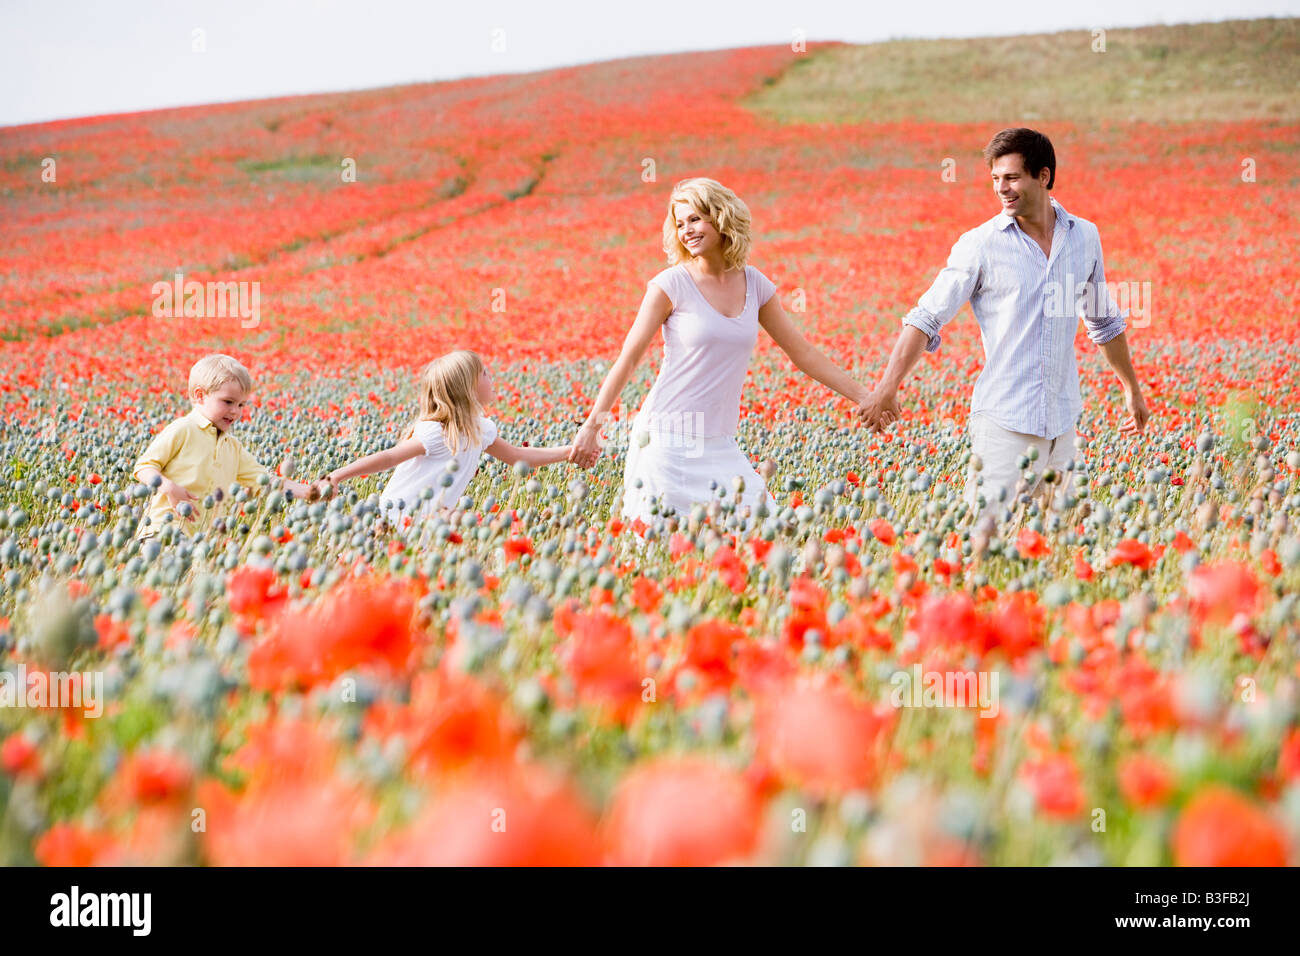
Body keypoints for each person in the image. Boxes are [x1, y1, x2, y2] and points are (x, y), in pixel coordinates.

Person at [859, 127, 1149, 521]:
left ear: (1043, 176)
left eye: (1011, 177)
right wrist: (887, 387)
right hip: (1005, 424)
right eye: (995, 179)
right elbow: (926, 317)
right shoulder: (981, 245)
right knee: (984, 535)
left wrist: (1131, 387)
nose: (1001, 188)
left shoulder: (1084, 237)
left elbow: (1104, 321)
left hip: (1062, 424)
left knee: (1064, 538)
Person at [570, 177, 871, 532]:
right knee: (662, 551)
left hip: (719, 444)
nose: (687, 231)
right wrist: (592, 426)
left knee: (770, 532)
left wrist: (866, 397)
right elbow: (629, 359)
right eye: (679, 224)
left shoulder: (755, 284)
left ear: (722, 217)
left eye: (695, 219)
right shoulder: (670, 285)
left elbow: (802, 353)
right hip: (666, 440)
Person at [311, 350, 572, 523]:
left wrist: (570, 452)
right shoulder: (437, 432)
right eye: (484, 373)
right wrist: (336, 476)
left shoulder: (479, 429)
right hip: (396, 520)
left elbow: (517, 457)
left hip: (431, 525)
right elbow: (389, 457)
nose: (491, 377)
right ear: (468, 388)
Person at [133, 353, 315, 538]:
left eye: (241, 404)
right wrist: (168, 487)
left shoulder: (233, 446)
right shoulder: (183, 429)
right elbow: (144, 467)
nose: (235, 411)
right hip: (163, 529)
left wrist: (310, 492)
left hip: (201, 540)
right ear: (200, 395)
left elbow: (265, 482)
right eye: (228, 402)